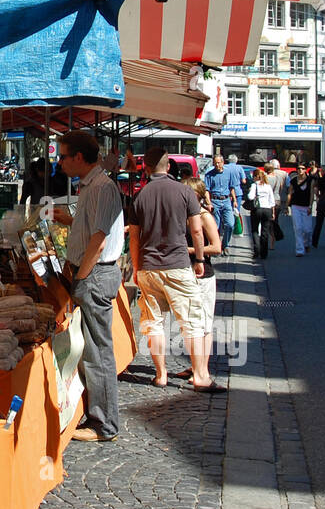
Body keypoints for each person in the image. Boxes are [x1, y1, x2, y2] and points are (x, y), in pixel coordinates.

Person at [51, 130, 126, 441]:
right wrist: (69, 221)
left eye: (63, 156)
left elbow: (99, 238)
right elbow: (91, 227)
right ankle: (97, 413)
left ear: (79, 157)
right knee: (92, 349)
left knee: (97, 351)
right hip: (90, 273)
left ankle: (104, 424)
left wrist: (81, 276)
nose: (60, 162)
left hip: (94, 275)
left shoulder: (101, 188)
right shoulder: (91, 186)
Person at [128, 148, 223, 393]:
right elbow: (196, 231)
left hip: (149, 267)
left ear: (145, 168)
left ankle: (160, 375)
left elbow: (135, 240)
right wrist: (200, 258)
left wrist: (137, 269)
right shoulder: (184, 192)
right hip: (178, 265)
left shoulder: (139, 196)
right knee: (192, 322)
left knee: (154, 323)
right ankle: (201, 376)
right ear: (168, 166)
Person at [180, 178, 223, 379]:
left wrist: (190, 250)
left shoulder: (204, 216)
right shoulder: (184, 215)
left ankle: (202, 369)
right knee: (190, 323)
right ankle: (195, 365)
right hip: (185, 272)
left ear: (196, 195)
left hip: (203, 273)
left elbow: (216, 247)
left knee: (204, 323)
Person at [203, 153, 240, 256]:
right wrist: (209, 203)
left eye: (218, 163)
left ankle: (225, 244)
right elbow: (206, 190)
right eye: (215, 163)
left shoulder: (229, 173)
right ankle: (217, 246)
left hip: (226, 200)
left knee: (230, 224)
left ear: (223, 163)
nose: (217, 165)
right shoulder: (209, 174)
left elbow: (232, 187)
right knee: (215, 226)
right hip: (215, 201)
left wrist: (235, 200)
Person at [247, 163, 278, 258]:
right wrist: (273, 212)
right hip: (267, 209)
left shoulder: (254, 185)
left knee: (255, 230)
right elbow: (272, 201)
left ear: (256, 177)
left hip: (257, 209)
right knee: (265, 231)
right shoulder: (267, 186)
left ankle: (257, 250)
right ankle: (264, 253)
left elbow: (250, 197)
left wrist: (251, 192)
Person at [288, 163, 314, 256]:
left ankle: (306, 244)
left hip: (306, 206)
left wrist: (311, 206)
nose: (300, 170)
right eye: (298, 168)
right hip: (295, 206)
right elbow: (290, 193)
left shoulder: (310, 180)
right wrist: (288, 206)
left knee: (308, 229)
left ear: (306, 170)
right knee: (298, 228)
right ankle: (299, 250)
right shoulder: (293, 181)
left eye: (302, 168)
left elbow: (312, 194)